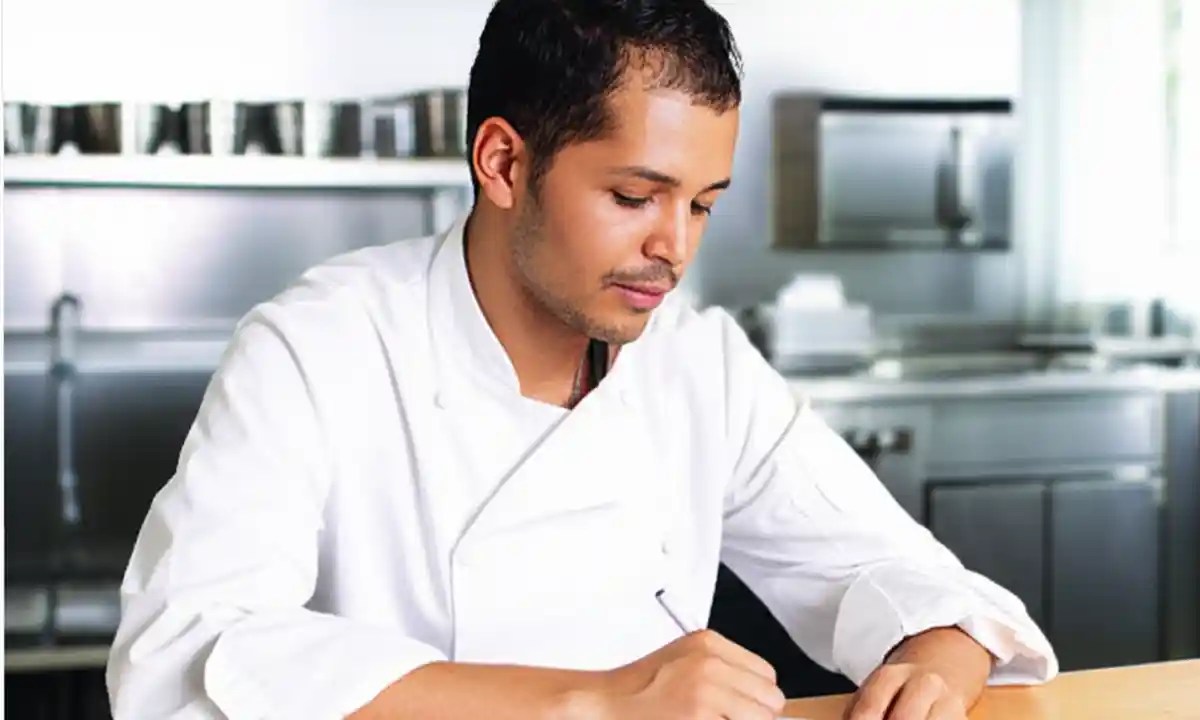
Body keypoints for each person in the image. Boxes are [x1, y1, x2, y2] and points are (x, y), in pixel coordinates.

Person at [106, 1, 1057, 718]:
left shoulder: (696, 363)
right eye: (636, 195)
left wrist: (934, 661)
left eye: (702, 203)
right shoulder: (320, 347)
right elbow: (181, 658)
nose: (675, 249)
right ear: (505, 163)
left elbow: (893, 573)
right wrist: (598, 700)